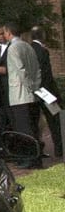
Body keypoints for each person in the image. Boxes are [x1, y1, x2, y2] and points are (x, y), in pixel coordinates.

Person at [3, 21, 42, 168]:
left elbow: (21, 70)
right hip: (33, 95)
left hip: (20, 95)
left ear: (9, 32)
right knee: (33, 127)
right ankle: (36, 158)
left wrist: (29, 87)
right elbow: (38, 70)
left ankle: (30, 159)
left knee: (24, 130)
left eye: (5, 32)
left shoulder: (13, 48)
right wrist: (35, 87)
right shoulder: (28, 46)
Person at [30, 26, 62, 157]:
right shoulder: (43, 51)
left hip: (33, 91)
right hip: (45, 92)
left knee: (34, 122)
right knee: (54, 120)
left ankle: (37, 150)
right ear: (42, 36)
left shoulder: (28, 49)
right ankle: (59, 149)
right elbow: (47, 75)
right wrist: (55, 96)